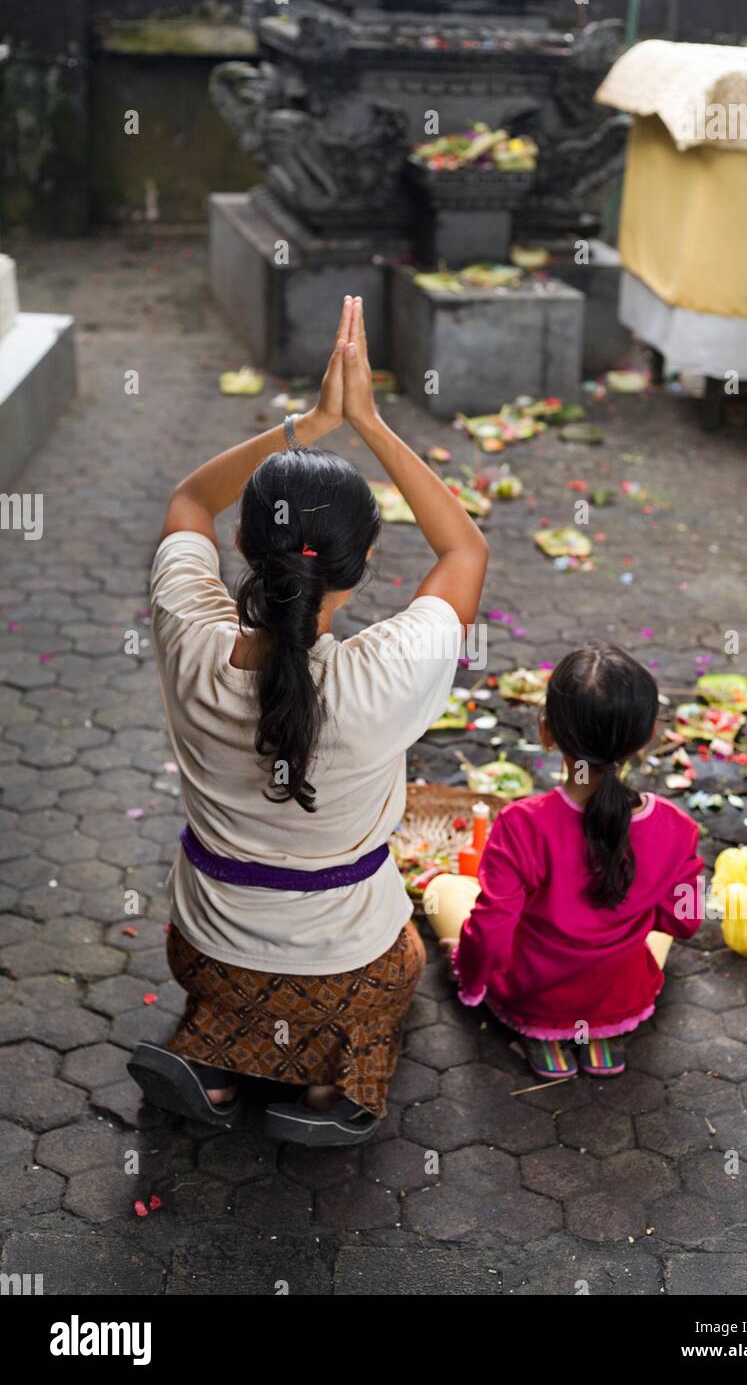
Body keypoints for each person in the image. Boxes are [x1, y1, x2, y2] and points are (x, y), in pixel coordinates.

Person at [128, 297, 488, 1145]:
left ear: (250, 552)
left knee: (235, 984)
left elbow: (187, 501)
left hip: (206, 952)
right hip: (347, 970)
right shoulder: (384, 676)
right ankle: (332, 1090)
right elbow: (465, 551)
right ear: (363, 567)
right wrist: (366, 422)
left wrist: (311, 424)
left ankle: (215, 1068)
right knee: (394, 960)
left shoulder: (193, 644)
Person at [430, 643, 704, 1080]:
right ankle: (600, 1038)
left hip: (532, 998)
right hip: (622, 995)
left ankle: (545, 1039)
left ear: (545, 732)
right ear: (651, 735)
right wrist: (626, 902)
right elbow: (685, 922)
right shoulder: (677, 827)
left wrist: (466, 972)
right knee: (652, 938)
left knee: (445, 889)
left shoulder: (522, 824)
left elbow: (492, 930)